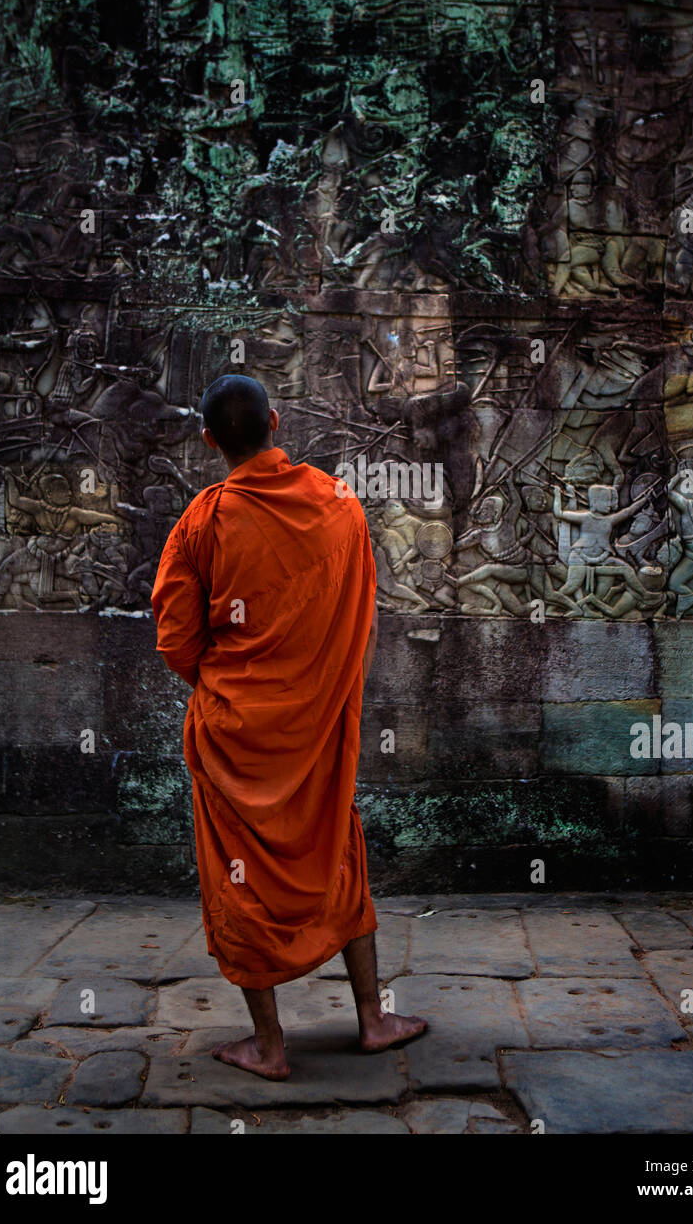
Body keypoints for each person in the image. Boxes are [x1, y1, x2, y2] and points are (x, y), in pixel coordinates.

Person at [151, 374, 427, 1079]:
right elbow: (361, 616)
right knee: (337, 850)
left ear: (209, 439)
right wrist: (311, 685)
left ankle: (270, 1045)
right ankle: (373, 1018)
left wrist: (240, 690)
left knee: (236, 880)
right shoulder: (340, 506)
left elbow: (177, 642)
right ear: (275, 421)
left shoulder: (202, 523)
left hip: (234, 737)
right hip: (317, 731)